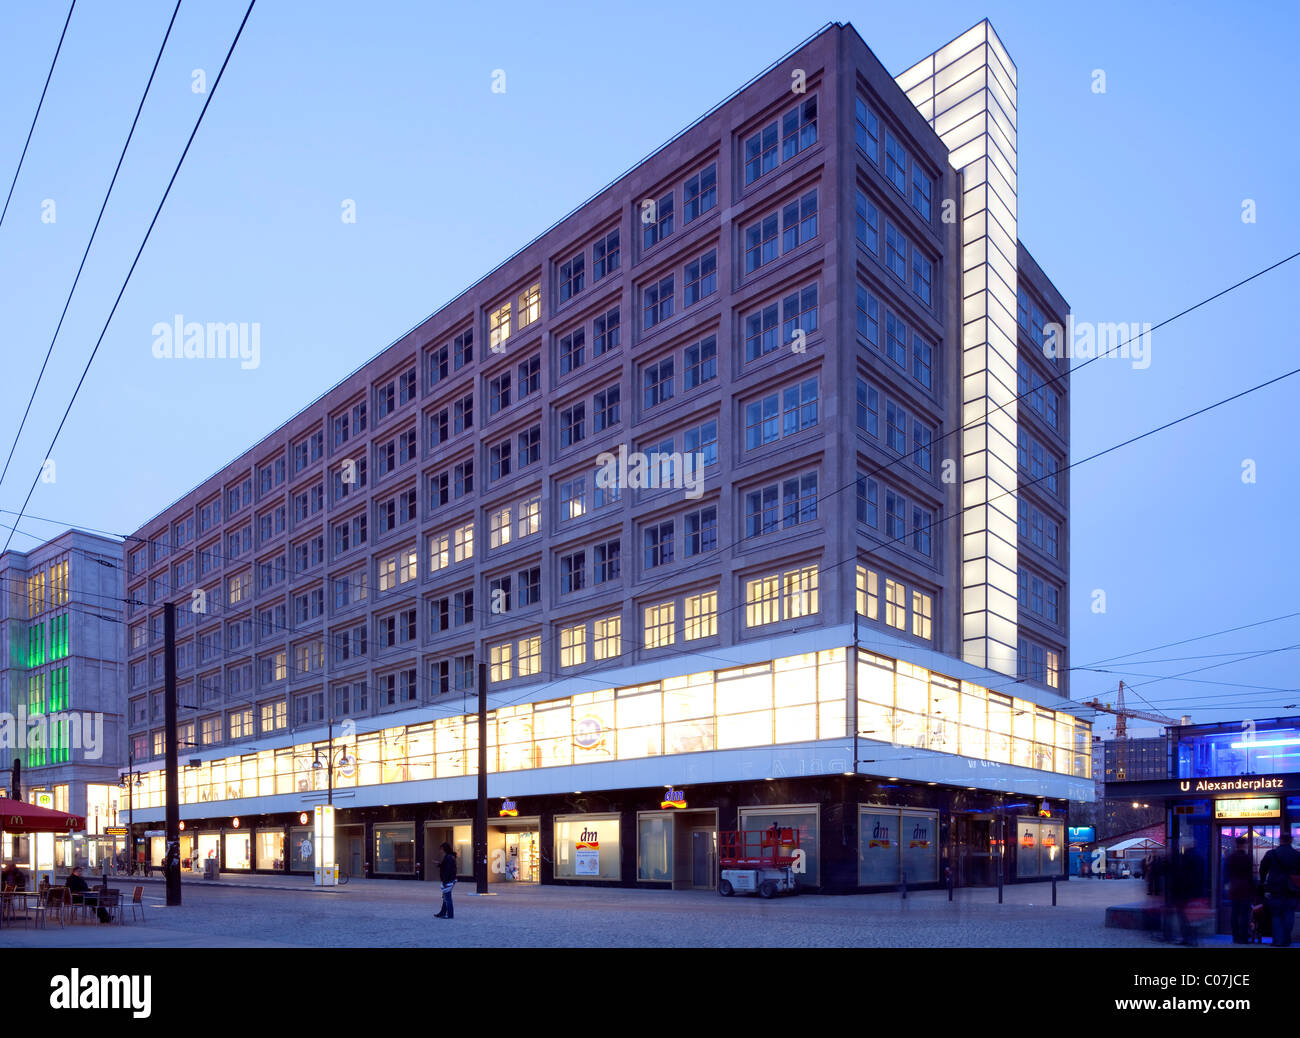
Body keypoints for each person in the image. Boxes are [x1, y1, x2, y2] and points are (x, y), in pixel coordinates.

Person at [1259, 832, 1300, 947]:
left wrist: (1263, 882)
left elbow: (1262, 869)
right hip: (1292, 889)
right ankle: (1287, 940)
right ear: (1291, 840)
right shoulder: (1297, 855)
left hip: (1275, 889)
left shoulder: (1271, 854)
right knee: (1289, 913)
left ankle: (1278, 941)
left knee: (1276, 915)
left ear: (1280, 840)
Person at [1223, 836, 1255, 945]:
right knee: (1245, 914)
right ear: (1244, 845)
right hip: (1245, 888)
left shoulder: (1231, 857)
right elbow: (1250, 876)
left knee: (1235, 913)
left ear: (1236, 845)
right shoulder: (1247, 858)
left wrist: (1228, 886)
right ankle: (1244, 938)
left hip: (1234, 888)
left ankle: (1235, 937)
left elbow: (1227, 874)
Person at [434, 842, 456, 920]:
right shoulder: (449, 857)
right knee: (445, 897)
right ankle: (443, 912)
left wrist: (445, 881)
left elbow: (448, 870)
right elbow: (446, 867)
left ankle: (450, 914)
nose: (440, 850)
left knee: (447, 897)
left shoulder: (449, 857)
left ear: (444, 849)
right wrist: (439, 864)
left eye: (441, 849)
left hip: (448, 880)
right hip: (449, 879)